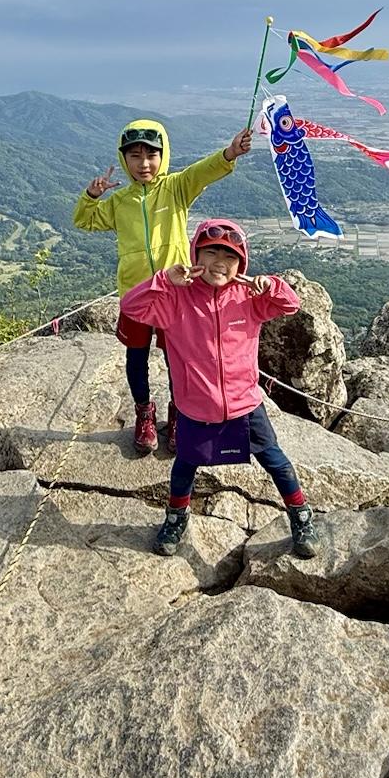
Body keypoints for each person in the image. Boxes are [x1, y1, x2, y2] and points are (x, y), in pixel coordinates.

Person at [119, 218, 319, 560]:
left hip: (245, 404)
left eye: (230, 256)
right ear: (196, 255)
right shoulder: (176, 299)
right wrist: (165, 280)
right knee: (185, 465)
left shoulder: (249, 298)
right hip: (195, 405)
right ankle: (176, 517)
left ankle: (300, 515)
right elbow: (131, 306)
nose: (220, 263)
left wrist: (270, 285)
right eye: (211, 253)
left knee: (275, 461)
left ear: (242, 263)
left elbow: (290, 304)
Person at [74, 117, 253, 454]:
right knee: (136, 357)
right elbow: (85, 220)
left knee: (179, 359)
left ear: (163, 155)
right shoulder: (118, 202)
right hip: (137, 295)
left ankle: (179, 413)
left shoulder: (176, 187)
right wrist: (92, 195)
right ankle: (144, 412)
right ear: (124, 159)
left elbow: (203, 171)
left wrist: (230, 153)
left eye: (151, 155)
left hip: (177, 292)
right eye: (135, 156)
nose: (144, 164)